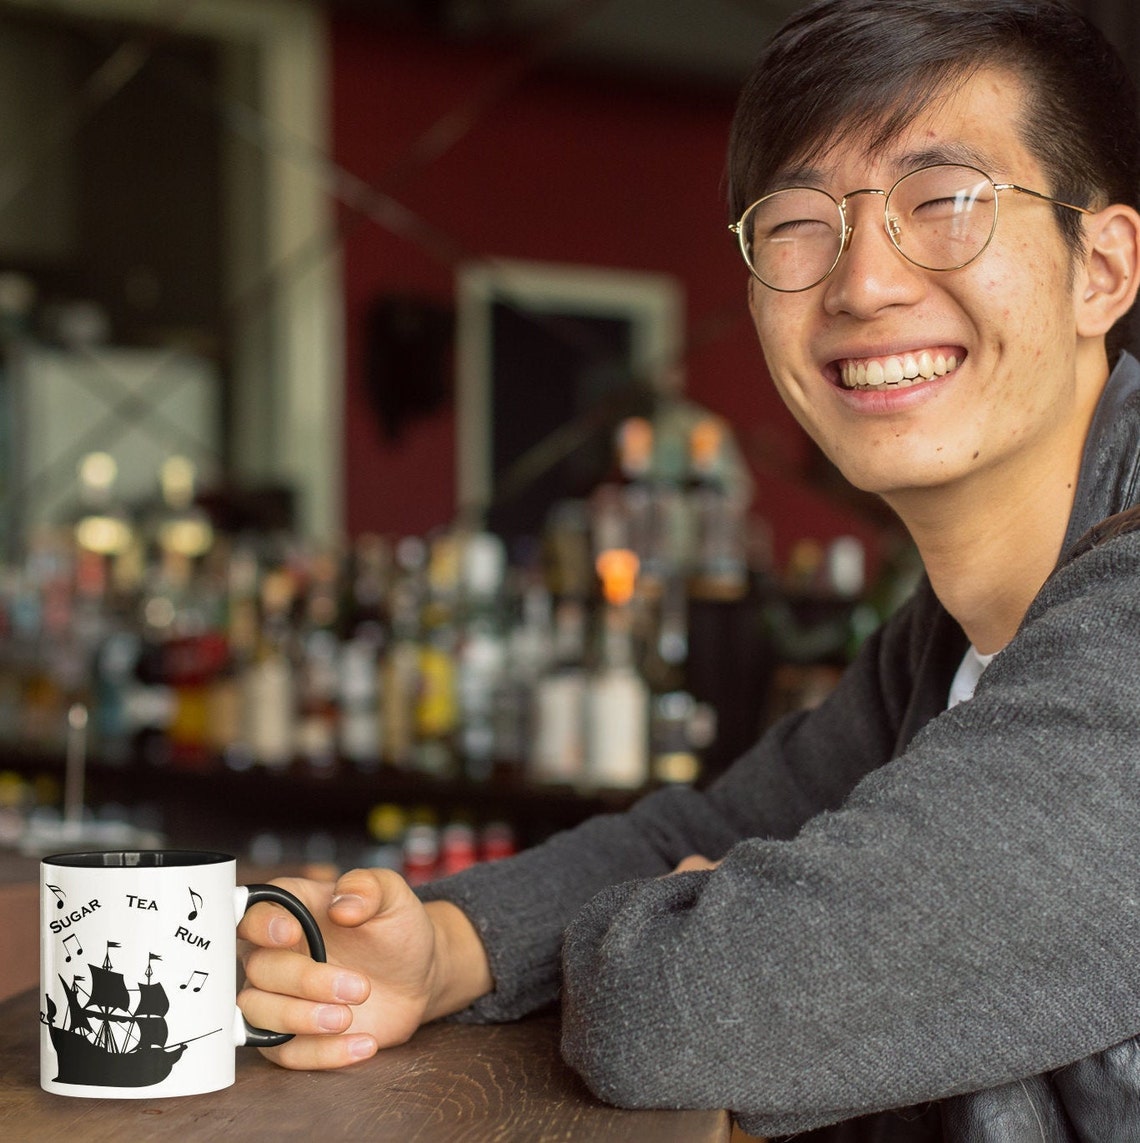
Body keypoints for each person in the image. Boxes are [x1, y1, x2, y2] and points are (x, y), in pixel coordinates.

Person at [236, 0, 1140, 1135]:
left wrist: (680, 938)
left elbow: (684, 1014)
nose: (864, 283)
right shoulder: (953, 637)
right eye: (802, 222)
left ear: (1100, 267)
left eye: (945, 202)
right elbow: (697, 828)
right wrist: (448, 948)